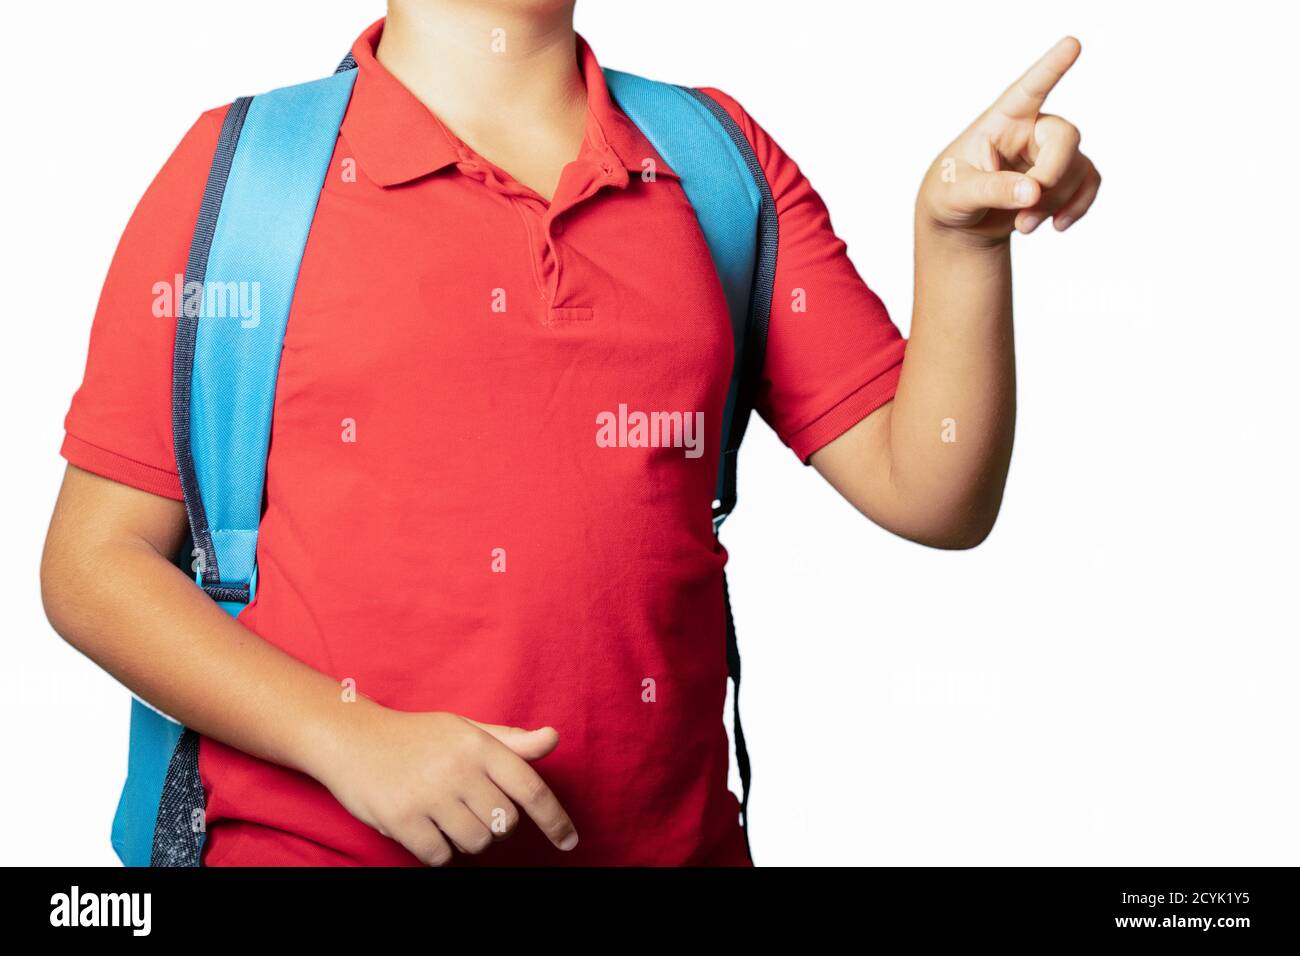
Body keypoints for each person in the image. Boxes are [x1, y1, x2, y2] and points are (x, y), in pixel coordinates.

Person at [40, 1, 1100, 866]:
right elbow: (94, 562)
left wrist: (958, 244)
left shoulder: (715, 161)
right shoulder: (245, 174)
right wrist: (346, 736)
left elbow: (934, 490)